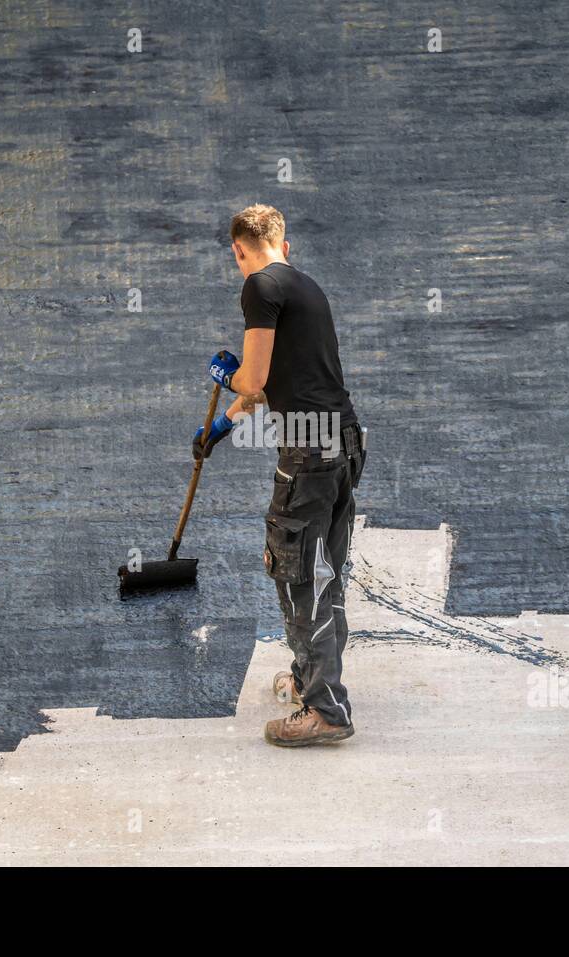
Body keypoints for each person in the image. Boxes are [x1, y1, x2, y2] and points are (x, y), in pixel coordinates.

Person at [194, 204, 365, 747]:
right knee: (324, 569)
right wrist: (224, 423)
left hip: (309, 455)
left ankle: (326, 711)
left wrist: (225, 372)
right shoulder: (304, 287)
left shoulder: (258, 288)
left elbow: (255, 376)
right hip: (342, 440)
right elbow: (282, 384)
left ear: (238, 250)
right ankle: (309, 679)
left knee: (297, 575)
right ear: (284, 245)